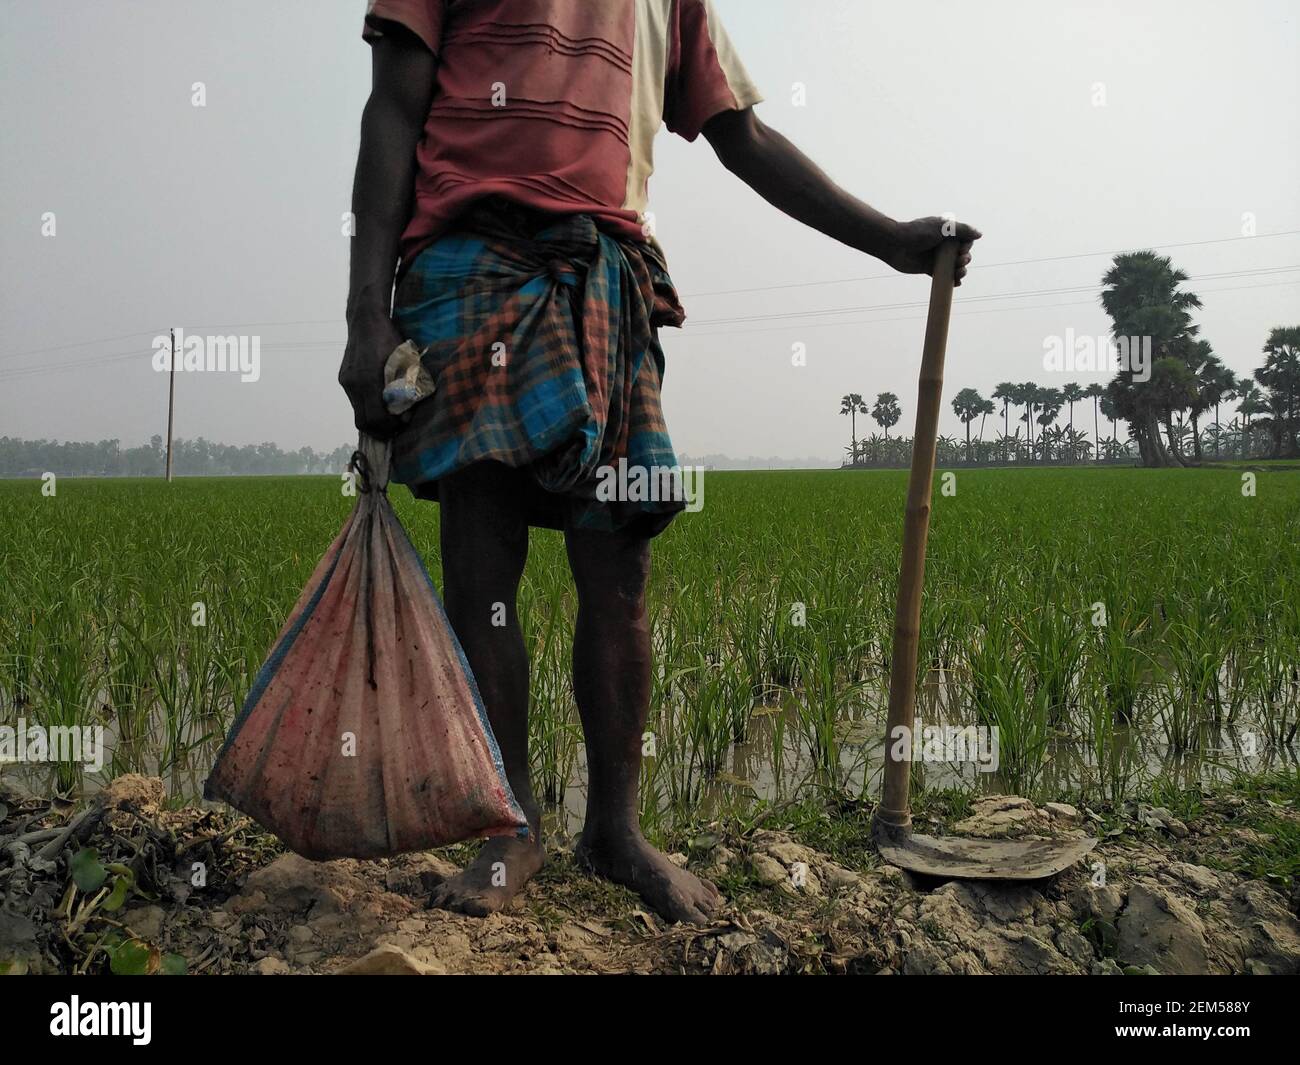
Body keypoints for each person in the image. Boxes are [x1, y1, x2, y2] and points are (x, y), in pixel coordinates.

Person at [339, 0, 979, 926]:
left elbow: (742, 135)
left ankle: (615, 831)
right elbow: (391, 111)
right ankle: (510, 827)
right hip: (470, 259)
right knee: (484, 561)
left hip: (608, 268)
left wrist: (888, 239)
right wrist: (365, 314)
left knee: (621, 562)